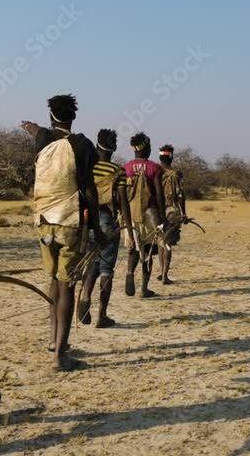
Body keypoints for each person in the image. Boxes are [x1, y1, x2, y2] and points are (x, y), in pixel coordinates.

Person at [21, 94, 104, 371]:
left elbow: (37, 130)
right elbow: (89, 190)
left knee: (54, 280)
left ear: (51, 117)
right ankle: (60, 354)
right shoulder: (83, 145)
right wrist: (97, 229)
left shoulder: (42, 139)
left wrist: (29, 126)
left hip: (43, 221)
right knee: (67, 284)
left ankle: (52, 340)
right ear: (74, 116)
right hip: (70, 221)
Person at [77, 129, 130, 328]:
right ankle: (102, 315)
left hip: (86, 222)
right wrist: (129, 229)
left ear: (96, 145)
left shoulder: (87, 168)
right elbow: (123, 202)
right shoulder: (117, 171)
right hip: (108, 222)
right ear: (113, 148)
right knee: (106, 269)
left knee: (92, 264)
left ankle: (84, 296)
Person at [122, 132, 167, 299]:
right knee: (148, 250)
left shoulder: (125, 168)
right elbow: (159, 194)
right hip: (149, 214)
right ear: (146, 148)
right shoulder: (154, 168)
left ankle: (129, 272)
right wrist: (162, 216)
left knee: (133, 247)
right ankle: (144, 289)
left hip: (130, 214)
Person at [157, 144, 187, 285]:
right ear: (171, 157)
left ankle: (161, 271)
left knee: (160, 242)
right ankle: (164, 275)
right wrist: (184, 213)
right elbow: (180, 195)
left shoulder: (156, 172)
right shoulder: (175, 175)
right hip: (171, 212)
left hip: (156, 212)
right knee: (168, 243)